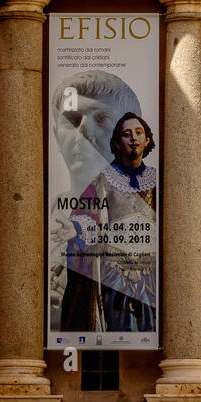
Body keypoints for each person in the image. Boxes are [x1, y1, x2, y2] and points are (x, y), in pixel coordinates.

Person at [59, 111, 157, 334]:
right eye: (126, 134)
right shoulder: (104, 180)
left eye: (139, 133)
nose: (133, 138)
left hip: (149, 274)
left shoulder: (156, 181)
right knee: (119, 327)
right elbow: (87, 214)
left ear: (147, 140)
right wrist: (74, 228)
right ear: (116, 142)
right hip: (116, 273)